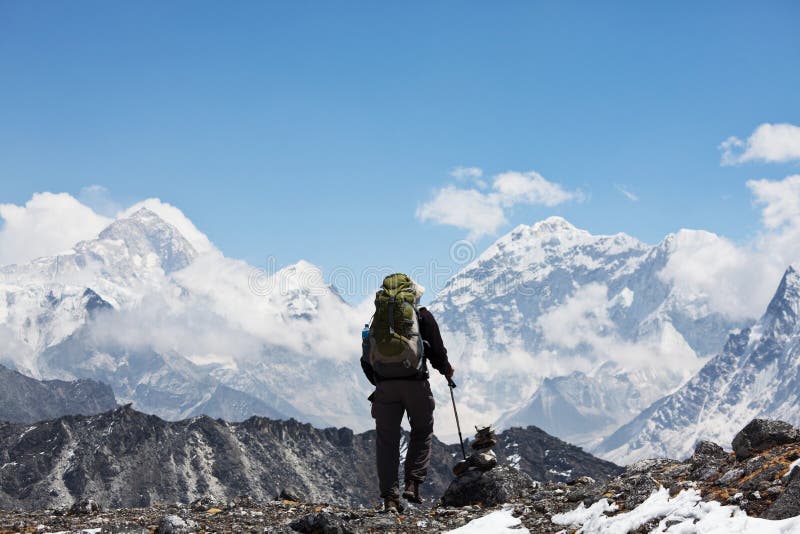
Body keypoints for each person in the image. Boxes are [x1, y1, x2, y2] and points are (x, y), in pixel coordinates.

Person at [360, 280, 455, 513]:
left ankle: (390, 499)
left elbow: (366, 357)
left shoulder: (378, 319)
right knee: (422, 431)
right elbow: (437, 350)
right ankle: (413, 484)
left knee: (387, 442)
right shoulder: (422, 316)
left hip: (385, 387)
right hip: (416, 384)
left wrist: (380, 382)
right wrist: (446, 370)